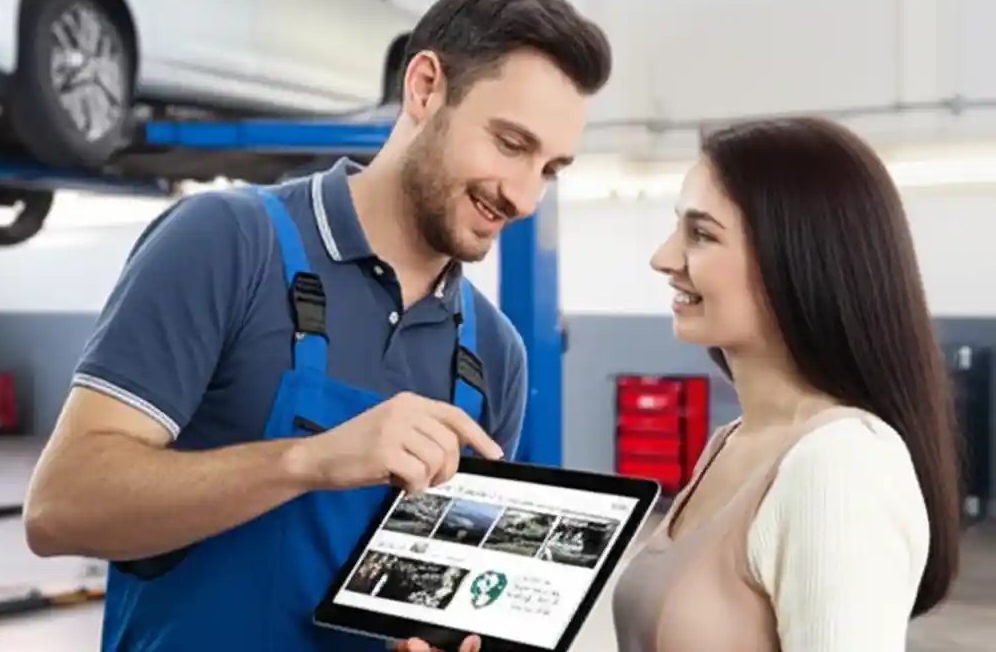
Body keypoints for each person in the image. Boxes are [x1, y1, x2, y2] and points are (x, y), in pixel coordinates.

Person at [21, 0, 613, 652]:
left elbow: (438, 605)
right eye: (511, 145)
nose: (525, 196)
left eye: (551, 168)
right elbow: (60, 508)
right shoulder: (227, 243)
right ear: (425, 88)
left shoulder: (493, 356)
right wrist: (310, 460)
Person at [406, 116, 963, 652]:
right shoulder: (732, 444)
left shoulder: (840, 466)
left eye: (700, 234)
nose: (663, 257)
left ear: (794, 258)